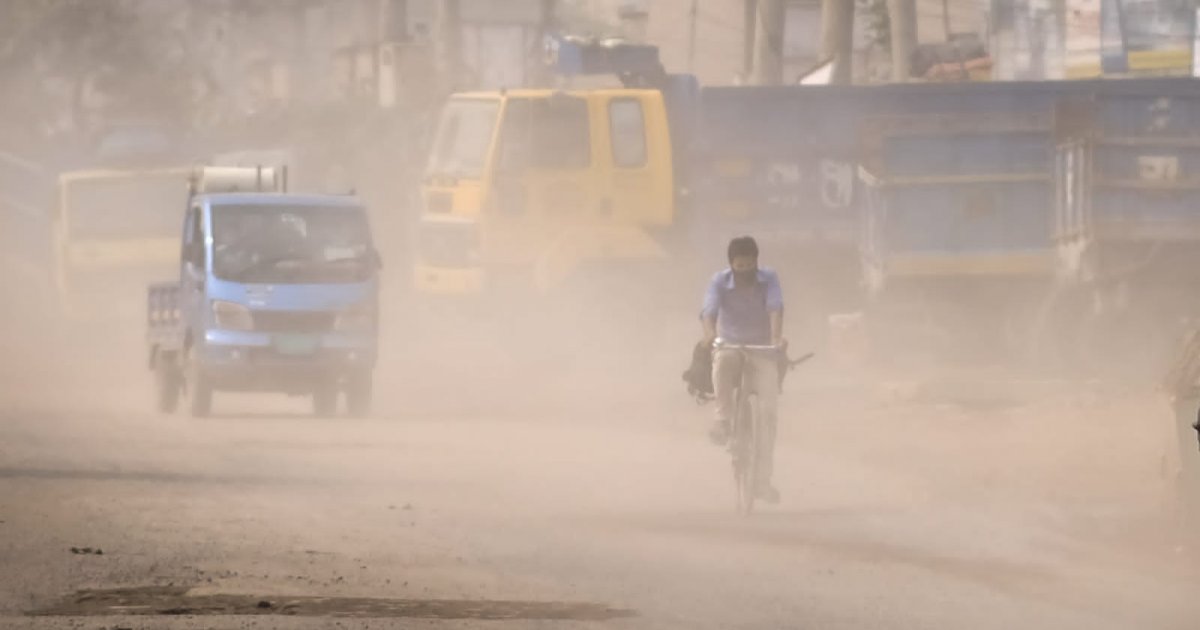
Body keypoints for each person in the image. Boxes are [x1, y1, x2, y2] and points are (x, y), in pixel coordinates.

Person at [700, 236, 785, 503]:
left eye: (749, 265)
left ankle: (762, 481)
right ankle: (723, 421)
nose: (745, 270)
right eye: (740, 265)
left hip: (761, 347)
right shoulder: (718, 282)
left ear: (756, 263)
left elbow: (775, 307)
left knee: (768, 416)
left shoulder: (769, 278)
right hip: (730, 345)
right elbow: (708, 311)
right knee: (722, 361)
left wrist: (776, 338)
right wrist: (709, 334)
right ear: (731, 265)